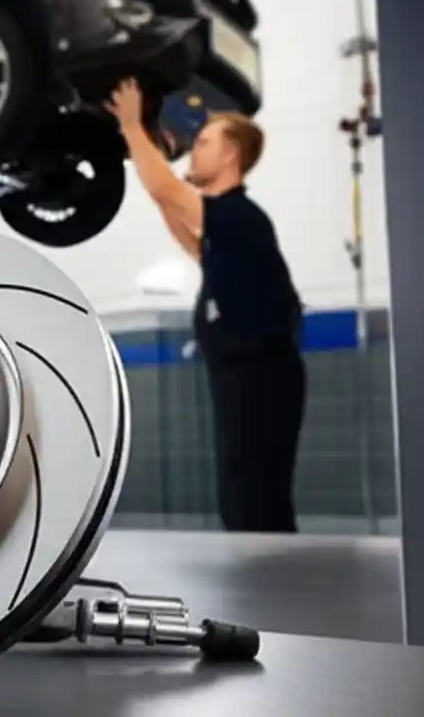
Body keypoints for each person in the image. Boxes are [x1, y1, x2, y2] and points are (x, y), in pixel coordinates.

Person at [105, 78, 305, 533]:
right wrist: (154, 173)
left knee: (254, 495)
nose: (195, 152)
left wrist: (133, 127)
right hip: (245, 375)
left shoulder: (239, 216)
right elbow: (182, 224)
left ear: (231, 155)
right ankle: (262, 584)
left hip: (260, 373)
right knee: (243, 492)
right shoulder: (227, 233)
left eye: (206, 143)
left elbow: (167, 192)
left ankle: (267, 590)